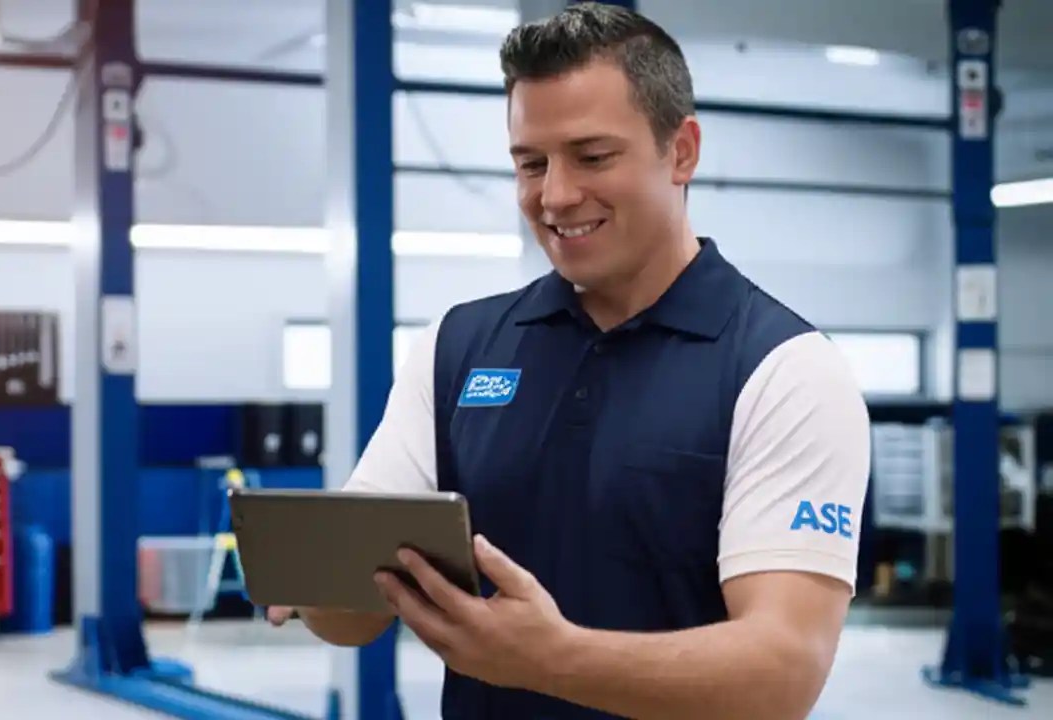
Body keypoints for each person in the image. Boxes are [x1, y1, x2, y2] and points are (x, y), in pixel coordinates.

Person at [269, 3, 871, 719]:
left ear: (681, 151)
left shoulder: (784, 371)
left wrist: (550, 660)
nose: (555, 196)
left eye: (592, 157)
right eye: (531, 163)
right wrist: (310, 580)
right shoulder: (458, 348)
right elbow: (358, 614)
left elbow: (783, 672)